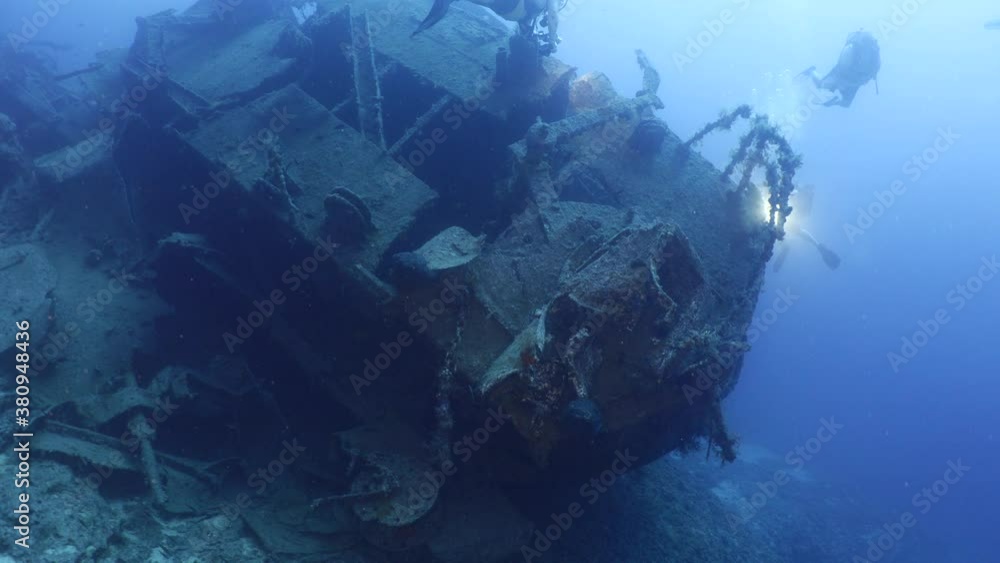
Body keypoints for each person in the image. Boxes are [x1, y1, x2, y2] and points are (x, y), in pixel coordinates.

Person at [413, 0, 562, 53]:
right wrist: (552, 40)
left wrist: (528, 32)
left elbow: (526, 17)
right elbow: (553, 16)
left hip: (507, 7)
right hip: (509, 5)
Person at [800, 30, 881, 108]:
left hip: (846, 76)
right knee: (844, 102)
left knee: (822, 86)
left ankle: (811, 71)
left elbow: (842, 62)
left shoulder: (856, 47)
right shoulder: (872, 52)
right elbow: (875, 70)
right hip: (856, 80)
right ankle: (812, 72)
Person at [772, 184, 842, 272]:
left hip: (787, 217)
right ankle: (785, 245)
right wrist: (818, 246)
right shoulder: (801, 198)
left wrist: (818, 246)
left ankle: (785, 246)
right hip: (787, 217)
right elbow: (800, 231)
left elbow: (799, 230)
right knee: (788, 230)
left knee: (787, 230)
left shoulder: (799, 196)